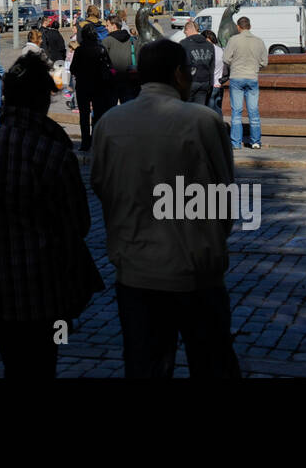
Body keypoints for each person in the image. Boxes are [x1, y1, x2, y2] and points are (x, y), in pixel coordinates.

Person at [0, 51, 103, 378]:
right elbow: (79, 224)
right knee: (43, 365)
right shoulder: (54, 152)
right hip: (46, 290)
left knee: (13, 364)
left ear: (8, 98)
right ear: (43, 100)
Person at [90, 38, 241, 379]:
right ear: (178, 74)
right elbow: (223, 191)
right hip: (196, 272)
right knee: (213, 364)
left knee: (146, 366)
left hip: (136, 272)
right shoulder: (204, 121)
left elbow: (101, 186)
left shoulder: (109, 123)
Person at [223, 16, 268, 151]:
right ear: (250, 26)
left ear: (238, 27)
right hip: (252, 77)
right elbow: (264, 62)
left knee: (236, 112)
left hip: (236, 77)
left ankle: (236, 143)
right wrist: (255, 66)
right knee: (253, 111)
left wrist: (235, 64)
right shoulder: (259, 41)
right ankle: (255, 142)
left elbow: (226, 58)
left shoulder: (234, 40)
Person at [69, 22, 113, 151]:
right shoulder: (101, 49)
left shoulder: (80, 50)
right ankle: (95, 139)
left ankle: (85, 142)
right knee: (97, 114)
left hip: (83, 85)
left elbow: (73, 68)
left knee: (84, 115)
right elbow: (108, 66)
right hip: (99, 85)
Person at [102, 16, 139, 104]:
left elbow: (102, 62)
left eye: (107, 25)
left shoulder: (107, 41)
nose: (105, 28)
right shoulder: (133, 40)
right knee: (128, 108)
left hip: (112, 80)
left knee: (110, 109)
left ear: (114, 26)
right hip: (129, 80)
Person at [179, 20, 216, 107]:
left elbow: (179, 65)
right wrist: (211, 83)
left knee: (186, 110)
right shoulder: (209, 45)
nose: (185, 34)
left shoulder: (184, 44)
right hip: (205, 81)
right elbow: (212, 66)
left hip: (189, 82)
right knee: (200, 109)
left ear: (188, 29)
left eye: (185, 32)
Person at [201, 29, 225, 114]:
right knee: (218, 110)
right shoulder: (221, 50)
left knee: (209, 112)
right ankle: (220, 126)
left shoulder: (207, 51)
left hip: (211, 85)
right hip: (220, 84)